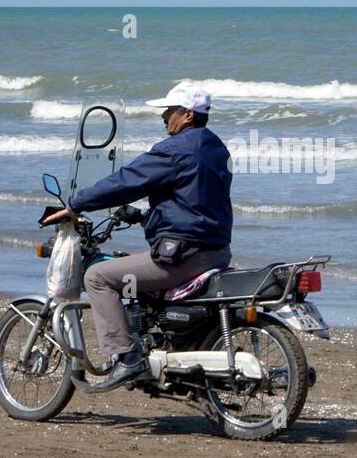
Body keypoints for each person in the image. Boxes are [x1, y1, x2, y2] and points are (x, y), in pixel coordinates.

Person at [41, 84, 232, 390]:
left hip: (184, 257)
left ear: (187, 115)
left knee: (98, 276)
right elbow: (195, 200)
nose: (164, 116)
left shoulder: (176, 149)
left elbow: (127, 181)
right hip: (215, 251)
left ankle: (127, 358)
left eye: (169, 111)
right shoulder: (215, 147)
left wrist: (75, 204)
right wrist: (147, 216)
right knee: (134, 280)